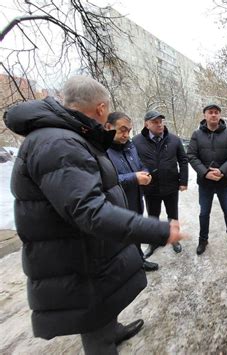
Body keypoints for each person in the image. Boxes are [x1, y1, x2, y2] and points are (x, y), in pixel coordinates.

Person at [4, 76, 185, 355]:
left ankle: (111, 330)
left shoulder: (67, 136)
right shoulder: (59, 143)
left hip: (88, 249)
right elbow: (90, 211)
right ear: (101, 109)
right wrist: (158, 230)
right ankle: (104, 340)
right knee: (96, 332)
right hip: (76, 256)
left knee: (102, 307)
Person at [105, 111, 159, 272]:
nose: (126, 134)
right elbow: (107, 180)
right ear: (108, 127)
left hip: (135, 199)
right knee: (121, 238)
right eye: (122, 130)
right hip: (117, 204)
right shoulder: (102, 152)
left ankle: (139, 260)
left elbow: (139, 164)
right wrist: (134, 178)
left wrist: (145, 172)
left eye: (128, 130)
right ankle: (124, 267)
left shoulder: (129, 147)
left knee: (135, 232)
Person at [132, 110, 188, 257]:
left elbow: (183, 160)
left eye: (161, 121)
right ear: (147, 124)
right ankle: (154, 241)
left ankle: (174, 239)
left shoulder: (174, 140)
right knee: (153, 216)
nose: (159, 125)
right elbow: (133, 162)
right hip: (150, 188)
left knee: (172, 215)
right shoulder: (136, 141)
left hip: (171, 186)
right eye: (155, 122)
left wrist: (183, 181)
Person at [187, 104, 227, 255]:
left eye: (216, 112)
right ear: (205, 115)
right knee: (204, 213)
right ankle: (203, 239)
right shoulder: (197, 135)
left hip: (224, 181)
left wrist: (222, 171)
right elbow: (191, 155)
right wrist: (205, 173)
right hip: (205, 183)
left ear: (220, 115)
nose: (214, 115)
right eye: (210, 112)